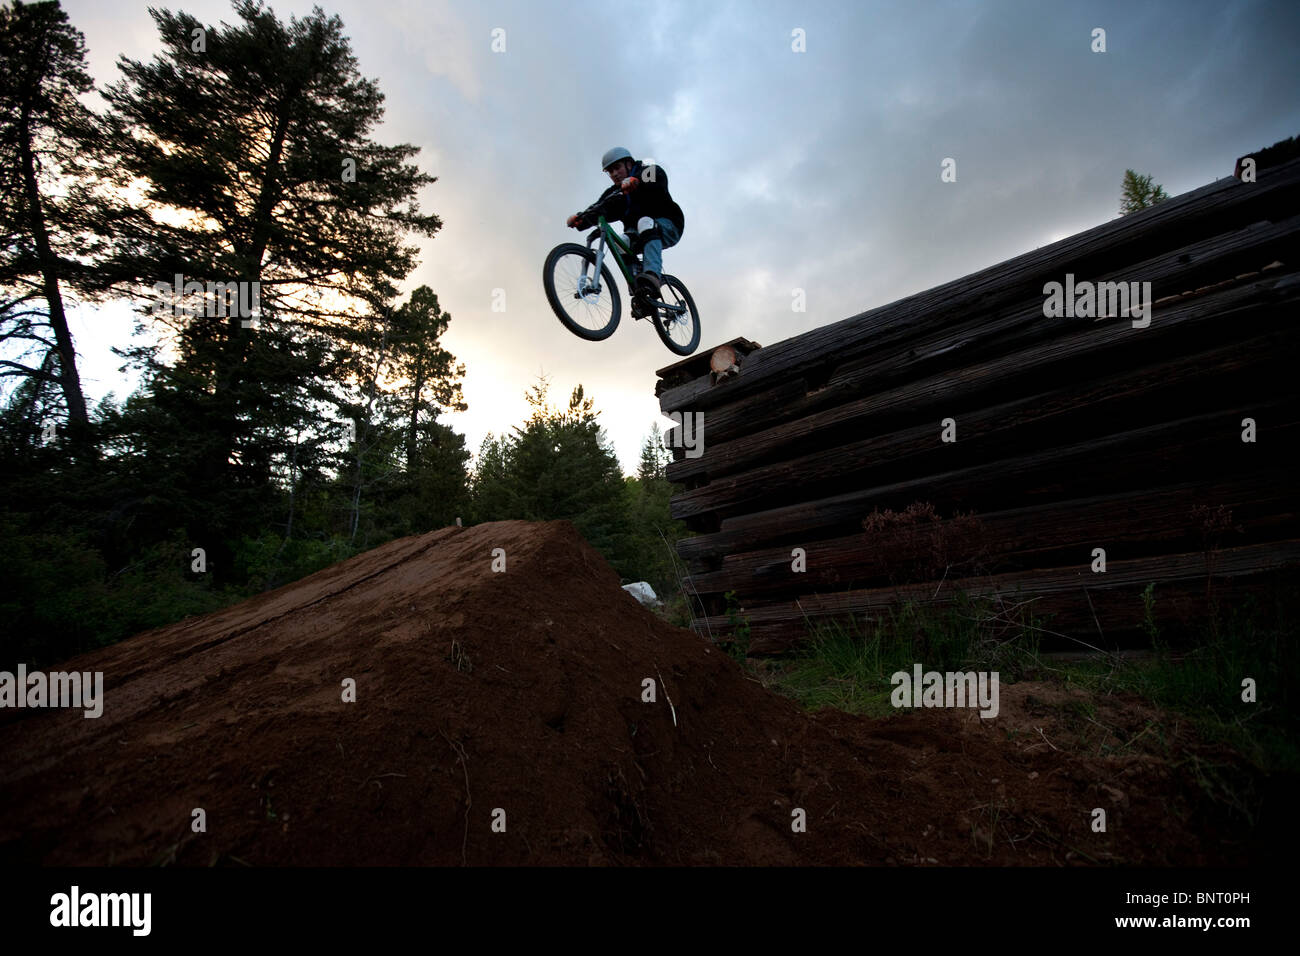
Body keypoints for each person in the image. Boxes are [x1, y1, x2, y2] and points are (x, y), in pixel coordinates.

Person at [566, 147, 685, 303]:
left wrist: (637, 180)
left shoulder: (647, 172)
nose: (614, 174)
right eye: (610, 171)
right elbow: (599, 207)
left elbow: (657, 176)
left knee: (645, 221)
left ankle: (652, 276)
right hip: (639, 234)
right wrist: (581, 219)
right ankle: (639, 290)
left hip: (669, 225)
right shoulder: (617, 193)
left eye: (617, 168)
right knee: (620, 241)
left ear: (629, 164)